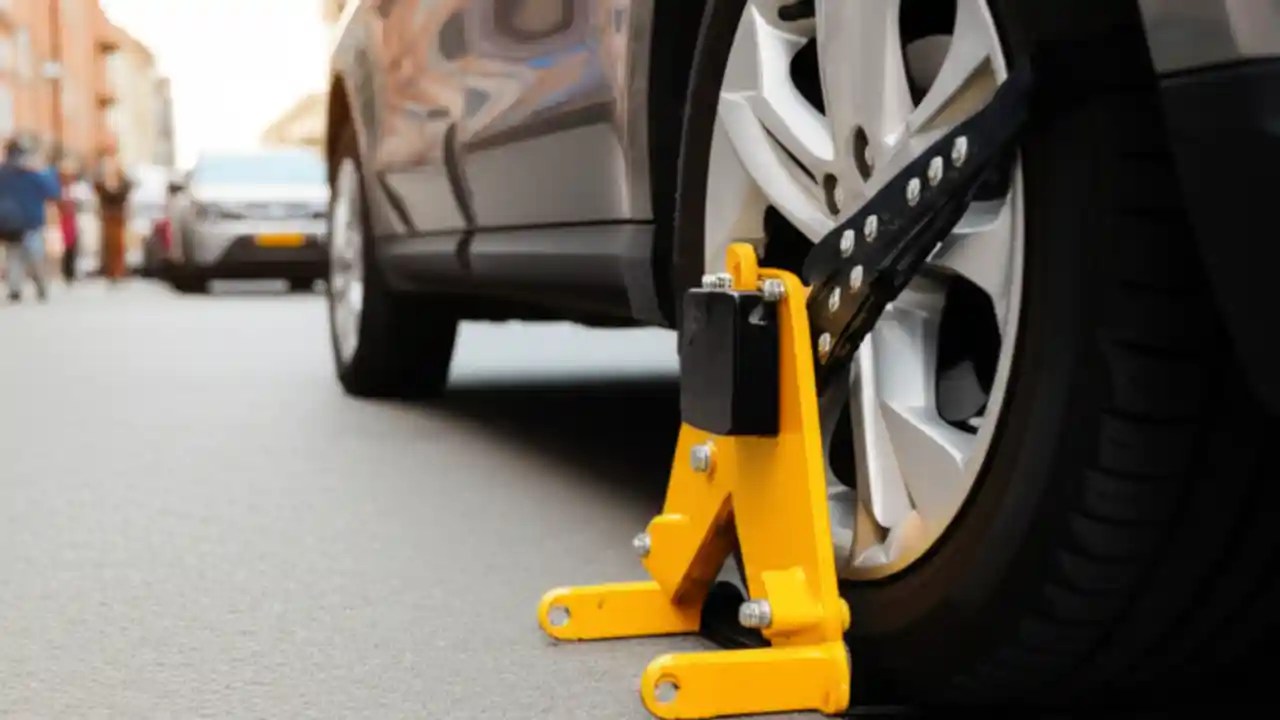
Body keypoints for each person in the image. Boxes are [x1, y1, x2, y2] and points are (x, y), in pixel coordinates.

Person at [0, 135, 60, 303]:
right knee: (34, 255)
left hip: (8, 222)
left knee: (13, 255)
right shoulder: (33, 173)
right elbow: (53, 191)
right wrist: (45, 171)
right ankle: (39, 285)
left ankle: (15, 288)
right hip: (30, 221)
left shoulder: (3, 173)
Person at [95, 152, 132, 282]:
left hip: (118, 218)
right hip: (108, 218)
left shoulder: (123, 183)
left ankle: (118, 271)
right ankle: (110, 270)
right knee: (108, 245)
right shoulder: (102, 184)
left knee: (118, 246)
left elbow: (126, 190)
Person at [57, 158, 81, 284]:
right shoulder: (58, 188)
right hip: (62, 219)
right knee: (63, 246)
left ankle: (70, 272)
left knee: (72, 246)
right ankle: (65, 271)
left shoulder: (75, 188)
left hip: (71, 220)